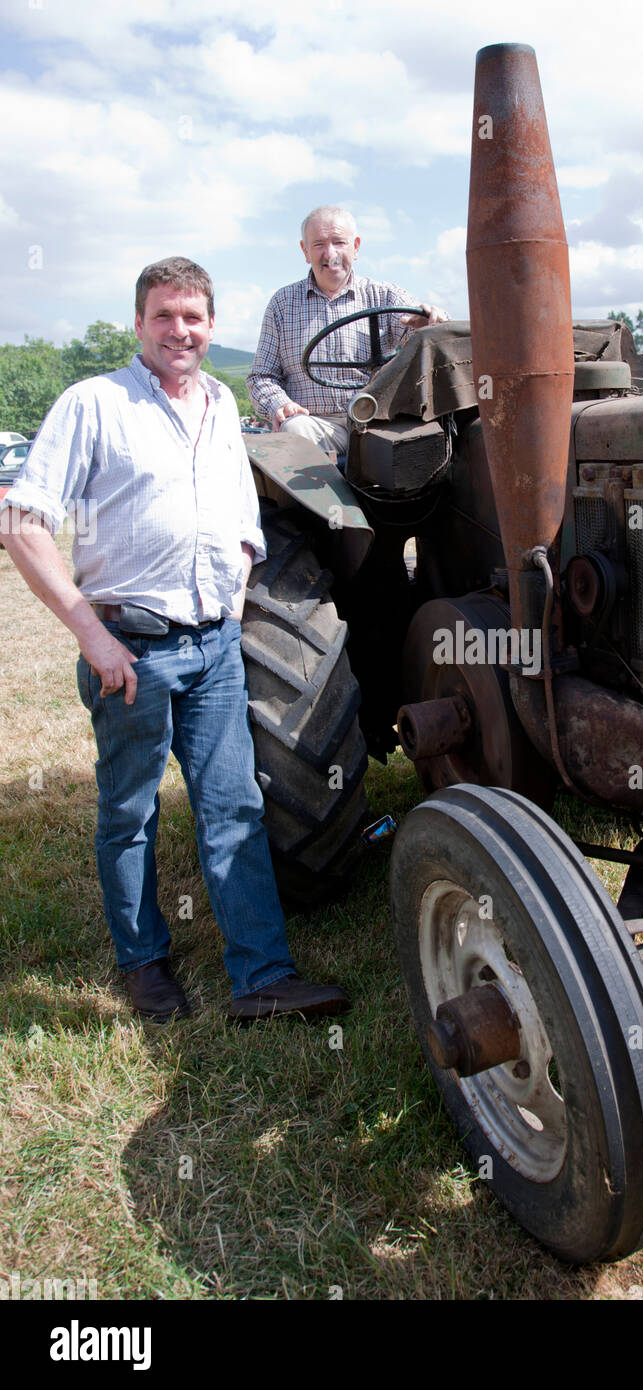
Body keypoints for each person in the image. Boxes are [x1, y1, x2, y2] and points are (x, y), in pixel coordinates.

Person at [0, 256, 350, 1025]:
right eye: (164, 315)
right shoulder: (94, 404)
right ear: (139, 323)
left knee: (233, 809)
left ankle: (261, 975)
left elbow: (240, 508)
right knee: (130, 813)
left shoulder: (223, 403)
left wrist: (238, 580)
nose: (180, 330)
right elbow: (22, 523)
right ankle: (144, 965)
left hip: (215, 648)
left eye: (193, 317)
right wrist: (92, 635)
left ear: (211, 326)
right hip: (132, 649)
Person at [247, 205, 447, 455]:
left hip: (377, 421)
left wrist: (432, 323)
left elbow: (427, 335)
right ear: (305, 251)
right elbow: (260, 377)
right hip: (316, 425)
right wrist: (281, 404)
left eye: (339, 242)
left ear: (356, 247)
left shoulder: (383, 295)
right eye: (318, 244)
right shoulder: (283, 304)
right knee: (295, 430)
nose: (330, 254)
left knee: (431, 440)